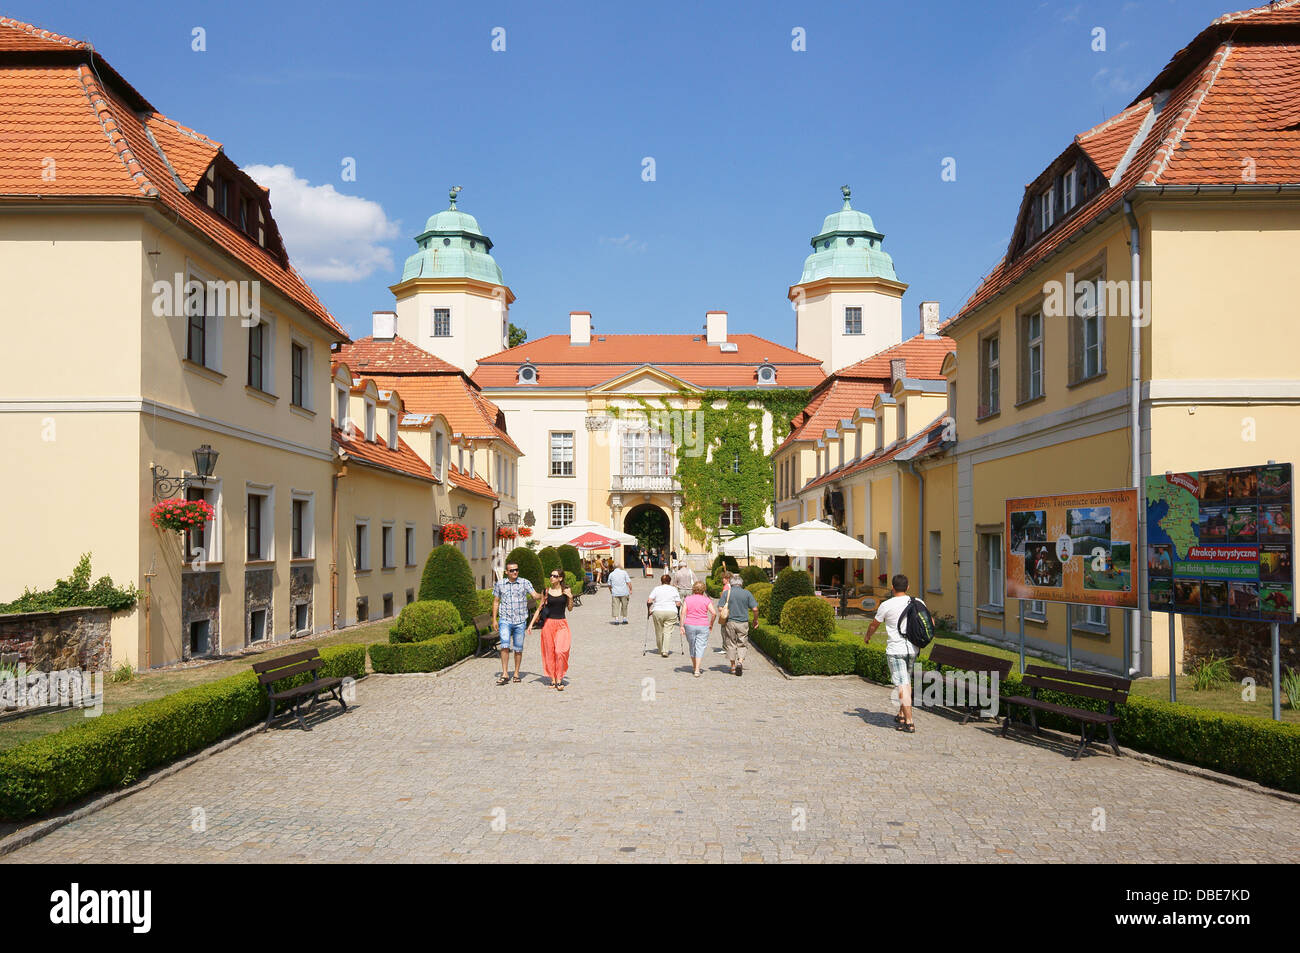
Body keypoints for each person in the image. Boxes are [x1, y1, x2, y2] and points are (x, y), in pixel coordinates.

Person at [864, 574, 917, 733]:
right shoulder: (917, 602)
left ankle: (909, 721)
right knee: (906, 682)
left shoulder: (887, 605)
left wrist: (867, 637)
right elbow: (931, 622)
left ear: (892, 588)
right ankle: (901, 714)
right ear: (907, 587)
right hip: (913, 649)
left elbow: (874, 625)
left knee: (902, 684)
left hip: (896, 649)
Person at [492, 561, 537, 686]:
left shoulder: (525, 582)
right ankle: (505, 673)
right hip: (505, 620)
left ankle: (516, 673)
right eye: (511, 570)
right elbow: (496, 602)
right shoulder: (500, 584)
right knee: (505, 645)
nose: (515, 572)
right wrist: (494, 619)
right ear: (507, 572)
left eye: (516, 569)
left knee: (518, 648)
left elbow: (534, 595)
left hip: (520, 621)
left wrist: (544, 594)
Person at [530, 569, 574, 691]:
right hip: (548, 625)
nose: (552, 577)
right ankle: (554, 680)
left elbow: (570, 609)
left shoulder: (566, 591)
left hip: (562, 624)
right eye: (551, 575)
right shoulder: (546, 591)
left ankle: (559, 678)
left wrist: (570, 597)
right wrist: (530, 625)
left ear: (560, 578)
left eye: (555, 576)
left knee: (561, 651)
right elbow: (539, 609)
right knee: (549, 653)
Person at [717, 573, 758, 675]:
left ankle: (733, 667)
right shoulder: (747, 593)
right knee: (742, 643)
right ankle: (740, 662)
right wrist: (755, 620)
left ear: (731, 583)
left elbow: (720, 608)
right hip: (743, 622)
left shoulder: (726, 593)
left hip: (730, 622)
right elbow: (755, 609)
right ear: (741, 583)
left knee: (731, 643)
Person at [681, 581, 717, 677]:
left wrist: (681, 626)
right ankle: (697, 669)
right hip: (703, 625)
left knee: (692, 645)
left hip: (689, 625)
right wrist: (711, 624)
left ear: (693, 589)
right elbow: (714, 613)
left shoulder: (688, 599)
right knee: (700, 646)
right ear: (703, 589)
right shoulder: (706, 600)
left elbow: (683, 613)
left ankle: (694, 666)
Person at [647, 573, 682, 657]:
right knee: (667, 632)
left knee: (658, 631)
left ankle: (660, 649)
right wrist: (678, 612)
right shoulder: (674, 589)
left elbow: (649, 601)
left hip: (658, 611)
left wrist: (649, 610)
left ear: (661, 581)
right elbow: (678, 603)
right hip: (671, 611)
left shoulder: (656, 589)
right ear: (670, 581)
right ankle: (665, 650)